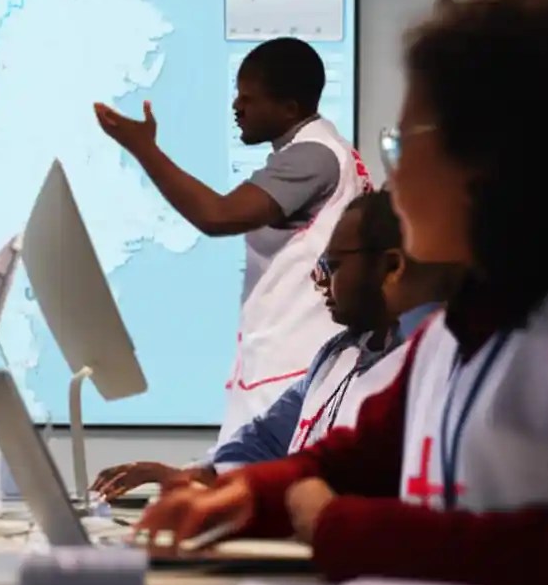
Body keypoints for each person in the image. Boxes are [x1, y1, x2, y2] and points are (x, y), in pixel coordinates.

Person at [135, 0, 548, 585]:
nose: (388, 173)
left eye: (401, 144)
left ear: (486, 162)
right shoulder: (456, 332)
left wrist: (337, 525)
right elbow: (351, 459)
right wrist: (238, 497)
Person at [95, 38, 373, 443]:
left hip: (290, 372)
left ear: (290, 108)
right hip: (287, 368)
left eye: (249, 99)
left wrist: (144, 150)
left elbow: (218, 216)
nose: (236, 107)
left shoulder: (313, 156)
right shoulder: (322, 152)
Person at [92, 190, 456, 498]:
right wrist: (195, 475)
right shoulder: (337, 355)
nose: (318, 279)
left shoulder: (431, 359)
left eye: (333, 265)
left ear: (390, 267)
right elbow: (266, 439)